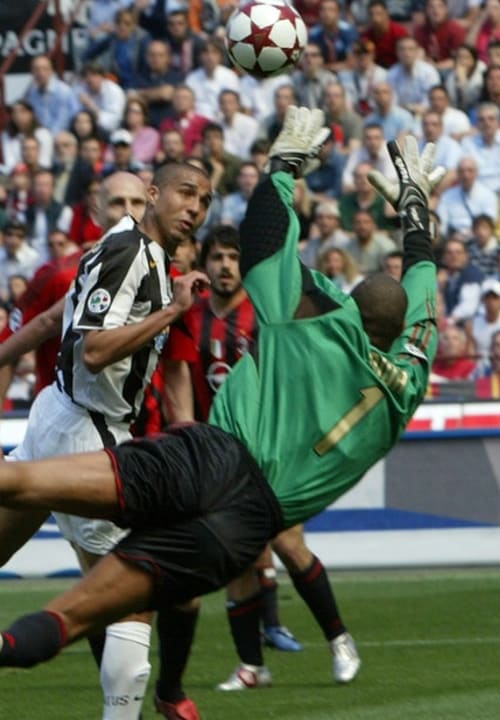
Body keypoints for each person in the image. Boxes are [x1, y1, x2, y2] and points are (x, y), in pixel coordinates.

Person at [0, 110, 441, 717]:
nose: (194, 209)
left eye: (203, 199)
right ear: (139, 198)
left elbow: (58, 317)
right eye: (178, 194)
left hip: (101, 423)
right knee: (120, 608)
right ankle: (125, 686)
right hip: (108, 435)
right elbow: (93, 345)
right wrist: (416, 217)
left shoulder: (149, 265)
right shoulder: (402, 379)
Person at [160, 227, 357, 691]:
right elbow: (179, 383)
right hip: (220, 456)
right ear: (205, 263)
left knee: (288, 545)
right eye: (218, 257)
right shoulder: (191, 317)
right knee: (237, 559)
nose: (226, 266)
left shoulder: (264, 314)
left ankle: (340, 640)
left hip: (273, 453)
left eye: (233, 257)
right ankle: (253, 666)